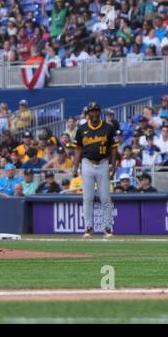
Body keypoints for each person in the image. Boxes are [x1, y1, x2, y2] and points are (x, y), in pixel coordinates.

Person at [73, 100, 118, 237]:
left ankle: (108, 227)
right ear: (88, 113)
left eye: (96, 110)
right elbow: (78, 149)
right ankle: (88, 227)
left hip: (103, 163)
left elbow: (114, 149)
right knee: (88, 198)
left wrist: (114, 165)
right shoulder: (81, 129)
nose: (94, 113)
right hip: (87, 163)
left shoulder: (108, 128)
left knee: (105, 197)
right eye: (92, 111)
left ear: (99, 112)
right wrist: (75, 166)